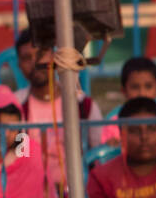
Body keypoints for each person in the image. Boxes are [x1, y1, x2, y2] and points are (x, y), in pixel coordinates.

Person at [14, 45, 102, 186]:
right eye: (27, 58)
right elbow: (20, 155)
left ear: (55, 57)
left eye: (41, 54)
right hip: (34, 190)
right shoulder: (16, 108)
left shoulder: (83, 105)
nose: (35, 62)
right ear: (19, 65)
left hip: (80, 191)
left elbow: (98, 152)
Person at [100, 55, 156, 157]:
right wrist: (111, 150)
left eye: (148, 86)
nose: (142, 93)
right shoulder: (113, 126)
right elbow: (103, 160)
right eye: (135, 87)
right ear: (124, 91)